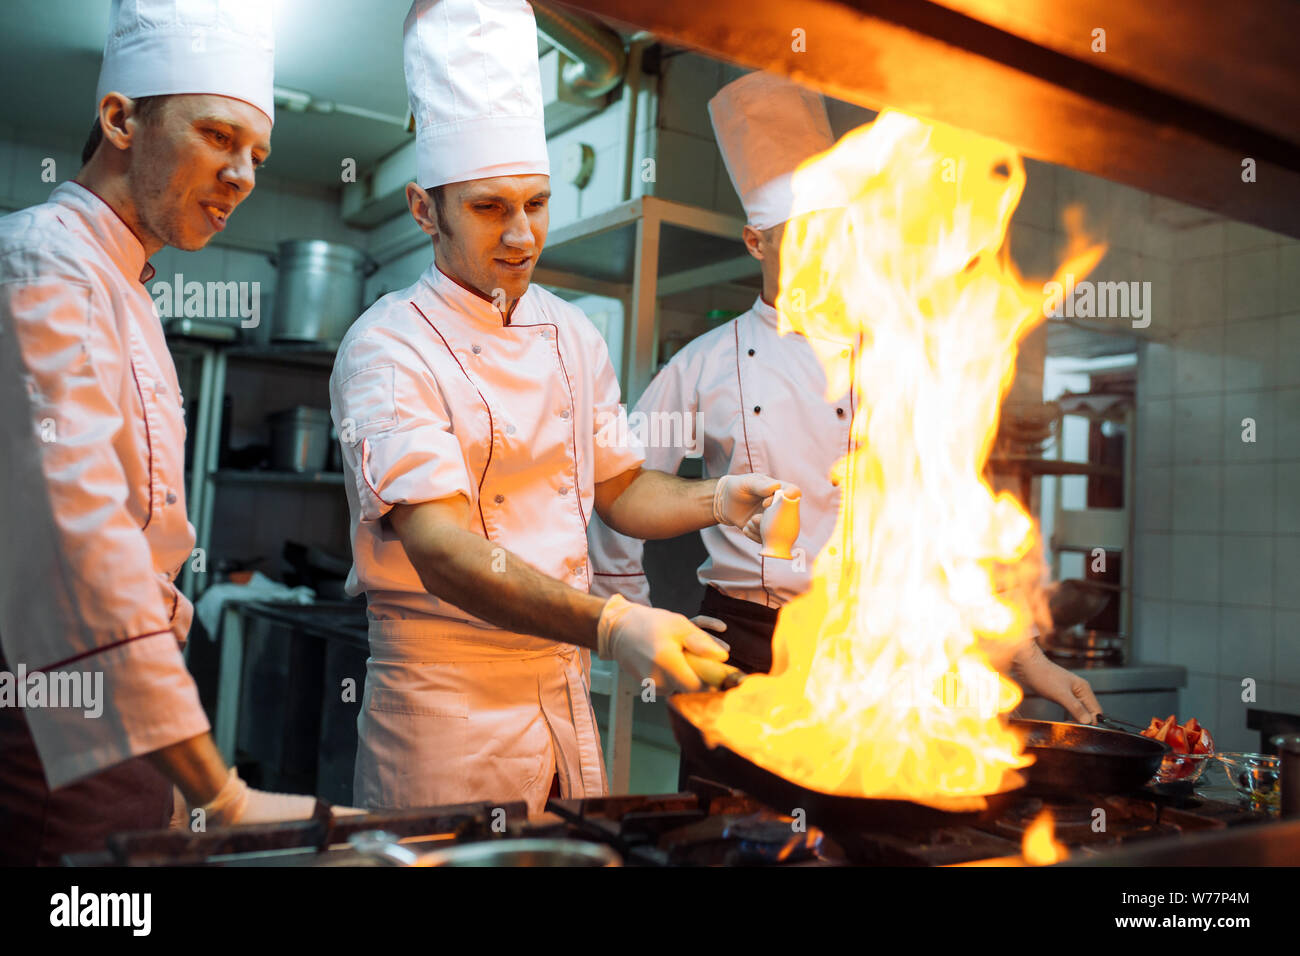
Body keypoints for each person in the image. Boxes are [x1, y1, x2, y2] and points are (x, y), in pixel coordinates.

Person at [329, 0, 794, 816]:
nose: (520, 236)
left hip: (560, 685)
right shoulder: (387, 346)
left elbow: (620, 489)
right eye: (488, 207)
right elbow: (440, 548)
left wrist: (714, 499)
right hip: (445, 710)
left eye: (536, 203)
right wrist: (613, 624)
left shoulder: (572, 332)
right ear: (421, 208)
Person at [588, 71, 1102, 726]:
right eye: (805, 237)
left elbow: (952, 516)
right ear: (757, 242)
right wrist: (630, 621)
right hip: (743, 641)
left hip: (872, 651)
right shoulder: (704, 364)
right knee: (732, 822)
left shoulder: (900, 354)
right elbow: (617, 492)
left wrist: (1027, 657)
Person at [0, 0, 316, 866]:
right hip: (47, 728)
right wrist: (220, 788)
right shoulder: (39, 262)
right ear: (121, 117)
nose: (244, 173)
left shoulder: (129, 290)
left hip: (125, 721)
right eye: (218, 135)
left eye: (257, 153)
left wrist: (175, 773)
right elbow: (81, 542)